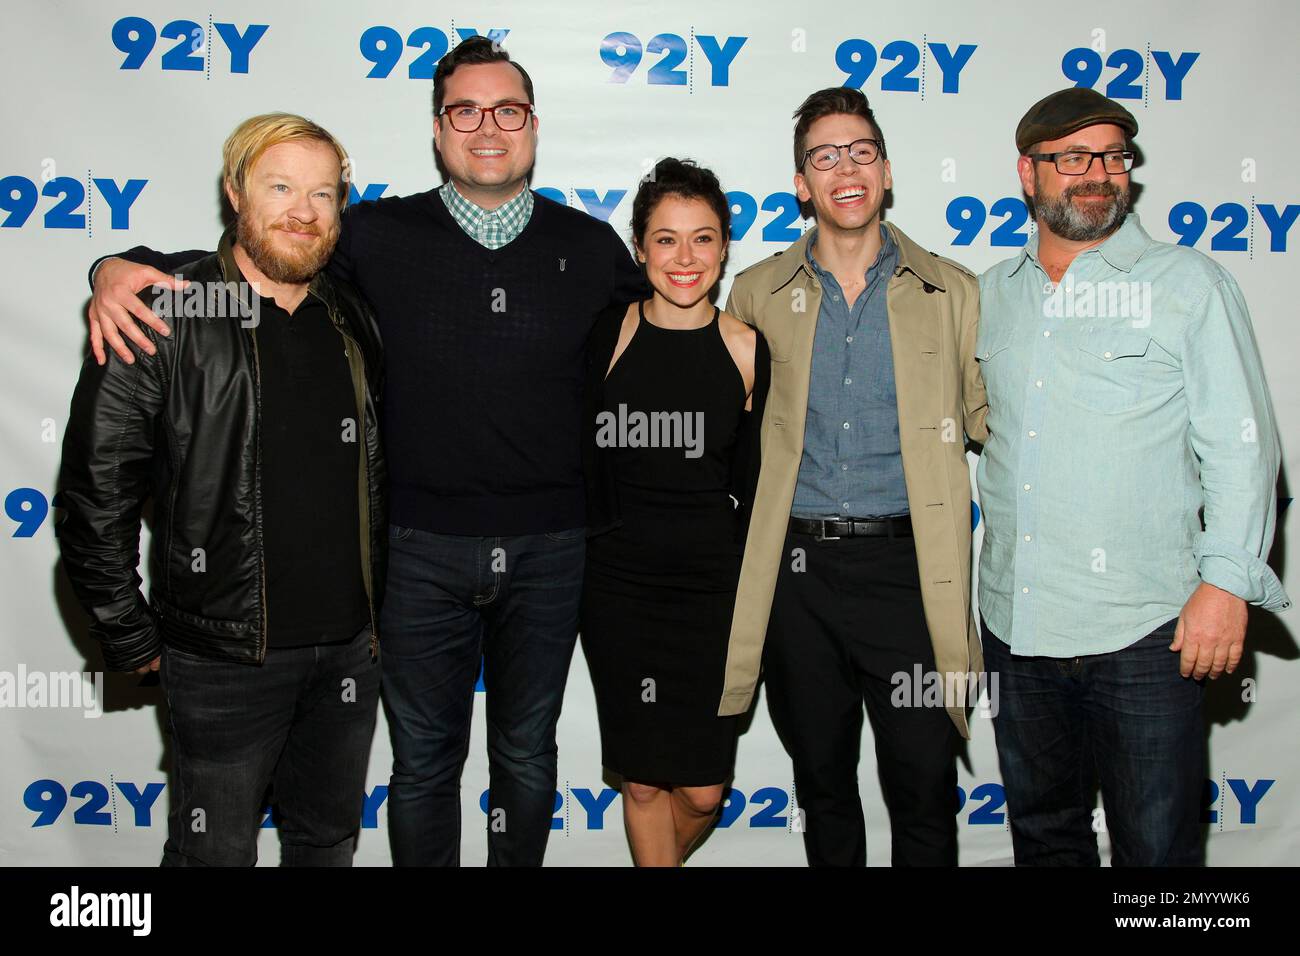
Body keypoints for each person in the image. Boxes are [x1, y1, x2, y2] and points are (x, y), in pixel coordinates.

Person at [83, 38, 646, 866]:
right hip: (413, 554)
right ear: (437, 127)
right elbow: (267, 255)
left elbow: (673, 321)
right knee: (421, 767)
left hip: (552, 549)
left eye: (508, 110)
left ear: (533, 125)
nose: (487, 127)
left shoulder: (592, 246)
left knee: (526, 757)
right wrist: (116, 267)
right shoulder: (373, 234)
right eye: (466, 110)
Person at [58, 113, 385, 866]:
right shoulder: (164, 310)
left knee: (329, 844)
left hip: (347, 652)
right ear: (235, 192)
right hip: (221, 657)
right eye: (280, 187)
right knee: (214, 856)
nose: (304, 211)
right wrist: (129, 633)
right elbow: (93, 495)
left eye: (324, 193)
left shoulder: (353, 319)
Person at [976, 87, 1290, 865]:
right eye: (1073, 157)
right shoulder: (988, 296)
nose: (1098, 174)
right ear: (1029, 172)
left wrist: (1225, 586)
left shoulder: (1187, 285)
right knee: (1045, 841)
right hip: (1019, 628)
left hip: (1149, 633)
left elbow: (1245, 448)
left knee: (1157, 856)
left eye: (1114, 156)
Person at [719, 88, 988, 866]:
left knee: (924, 786)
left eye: (861, 151)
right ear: (802, 182)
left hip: (908, 575)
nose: (845, 168)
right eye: (824, 155)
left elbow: (994, 426)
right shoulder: (756, 293)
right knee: (824, 787)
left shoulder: (953, 291)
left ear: (887, 171)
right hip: (796, 578)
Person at [581, 158, 768, 866]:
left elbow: (752, 487)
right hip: (616, 584)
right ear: (639, 249)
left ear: (724, 248)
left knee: (701, 793)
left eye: (703, 238)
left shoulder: (749, 349)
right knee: (641, 781)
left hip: (712, 591)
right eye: (665, 239)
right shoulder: (608, 332)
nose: (684, 258)